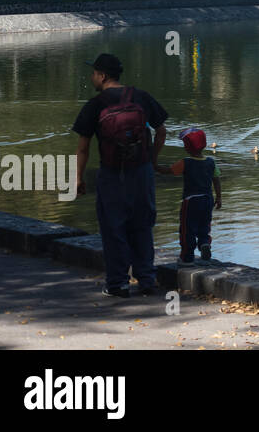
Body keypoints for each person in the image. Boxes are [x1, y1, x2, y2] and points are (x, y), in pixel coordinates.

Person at [72, 53, 168, 298]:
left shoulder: (96, 105)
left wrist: (78, 179)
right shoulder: (141, 96)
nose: (92, 76)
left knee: (114, 229)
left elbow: (83, 148)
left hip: (112, 175)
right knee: (143, 225)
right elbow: (161, 131)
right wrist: (152, 160)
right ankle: (147, 280)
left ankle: (118, 284)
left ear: (102, 76)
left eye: (94, 72)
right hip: (142, 172)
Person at [157, 128, 221, 264]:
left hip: (191, 201)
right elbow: (216, 179)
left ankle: (187, 257)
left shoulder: (185, 162)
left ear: (187, 147)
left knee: (188, 228)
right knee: (204, 226)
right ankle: (205, 244)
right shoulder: (211, 162)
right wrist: (219, 197)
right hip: (207, 199)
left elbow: (168, 171)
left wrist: (154, 166)